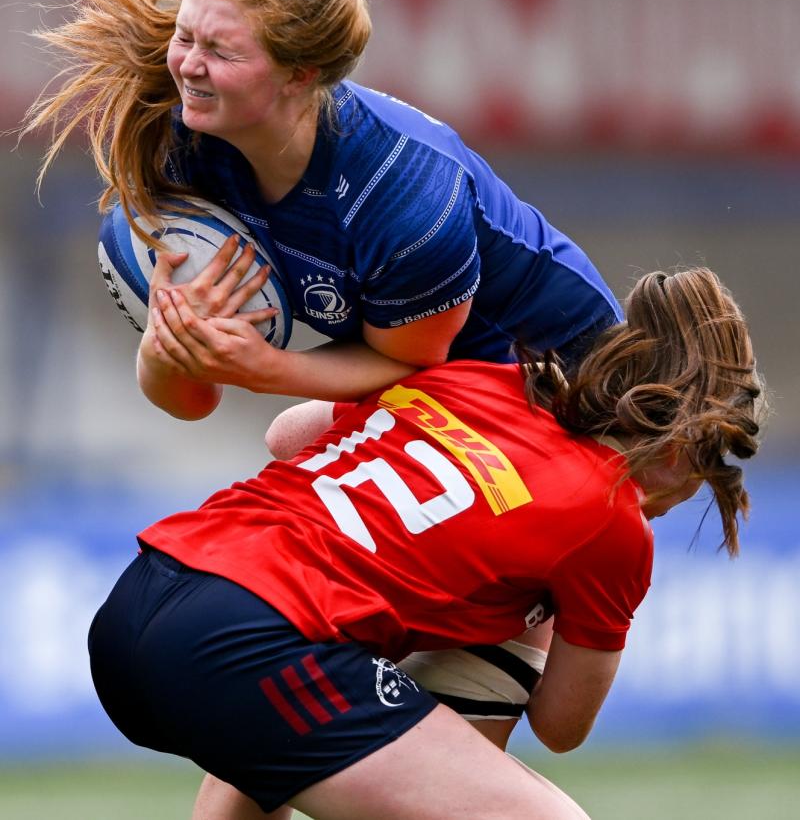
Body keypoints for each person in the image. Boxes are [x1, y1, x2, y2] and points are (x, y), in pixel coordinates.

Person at [23, 0, 622, 424]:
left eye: (220, 50)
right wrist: (168, 346)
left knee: (292, 440)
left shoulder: (400, 191)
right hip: (438, 388)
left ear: (301, 74)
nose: (187, 65)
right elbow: (190, 401)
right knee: (291, 439)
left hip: (568, 380)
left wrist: (265, 368)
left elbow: (416, 364)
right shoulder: (184, 152)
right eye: (185, 36)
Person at [87, 267, 763, 820]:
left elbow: (287, 435)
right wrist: (534, 608)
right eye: (707, 471)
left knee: (285, 723)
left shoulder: (485, 378)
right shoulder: (612, 519)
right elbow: (561, 726)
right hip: (243, 644)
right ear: (677, 448)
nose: (691, 495)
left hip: (147, 595)